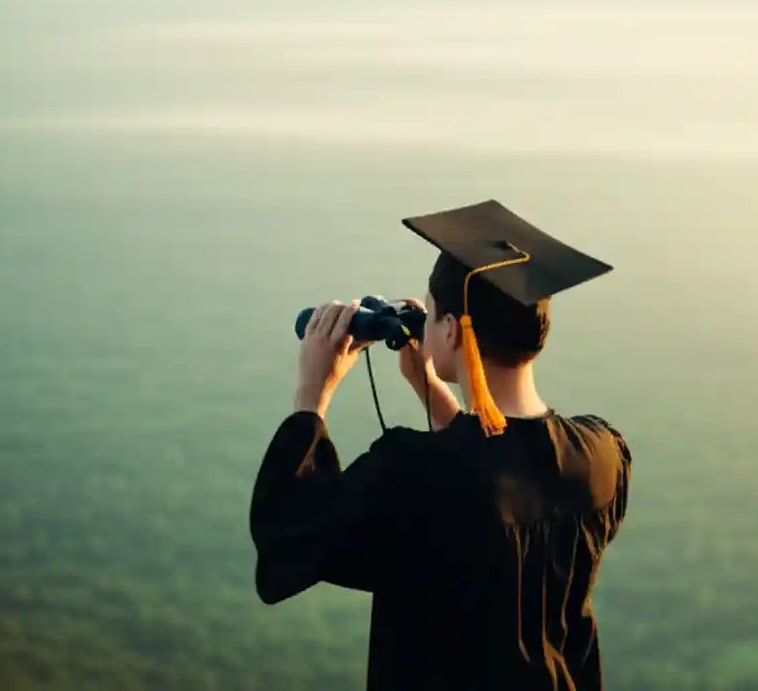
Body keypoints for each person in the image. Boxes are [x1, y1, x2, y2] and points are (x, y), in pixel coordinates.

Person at [249, 200, 633, 690]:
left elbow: (290, 534)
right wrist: (435, 394)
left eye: (430, 314)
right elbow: (507, 484)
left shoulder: (409, 473)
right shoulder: (600, 456)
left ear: (451, 330)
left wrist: (312, 397)